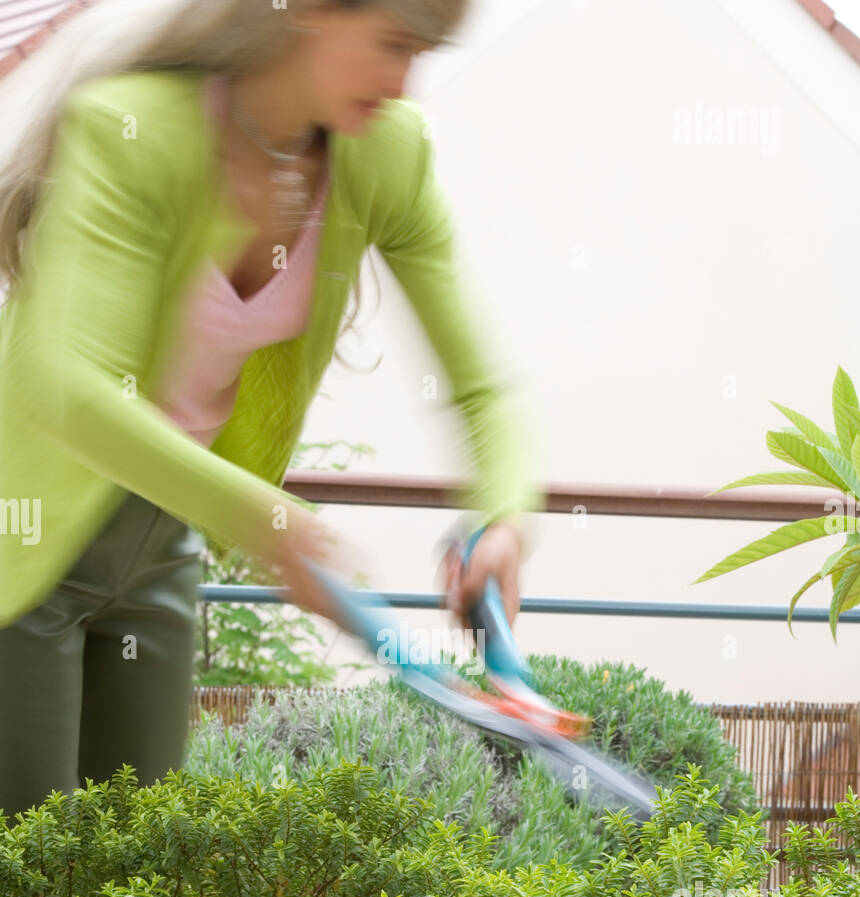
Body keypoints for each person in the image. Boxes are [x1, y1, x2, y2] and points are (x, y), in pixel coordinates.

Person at [0, 0, 541, 820]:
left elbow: (481, 385)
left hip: (163, 542)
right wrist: (266, 520)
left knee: (142, 871)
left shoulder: (382, 153)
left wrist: (504, 515)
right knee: (30, 873)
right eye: (392, 44)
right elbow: (59, 381)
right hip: (25, 539)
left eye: (423, 52)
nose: (404, 83)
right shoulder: (133, 130)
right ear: (311, 14)